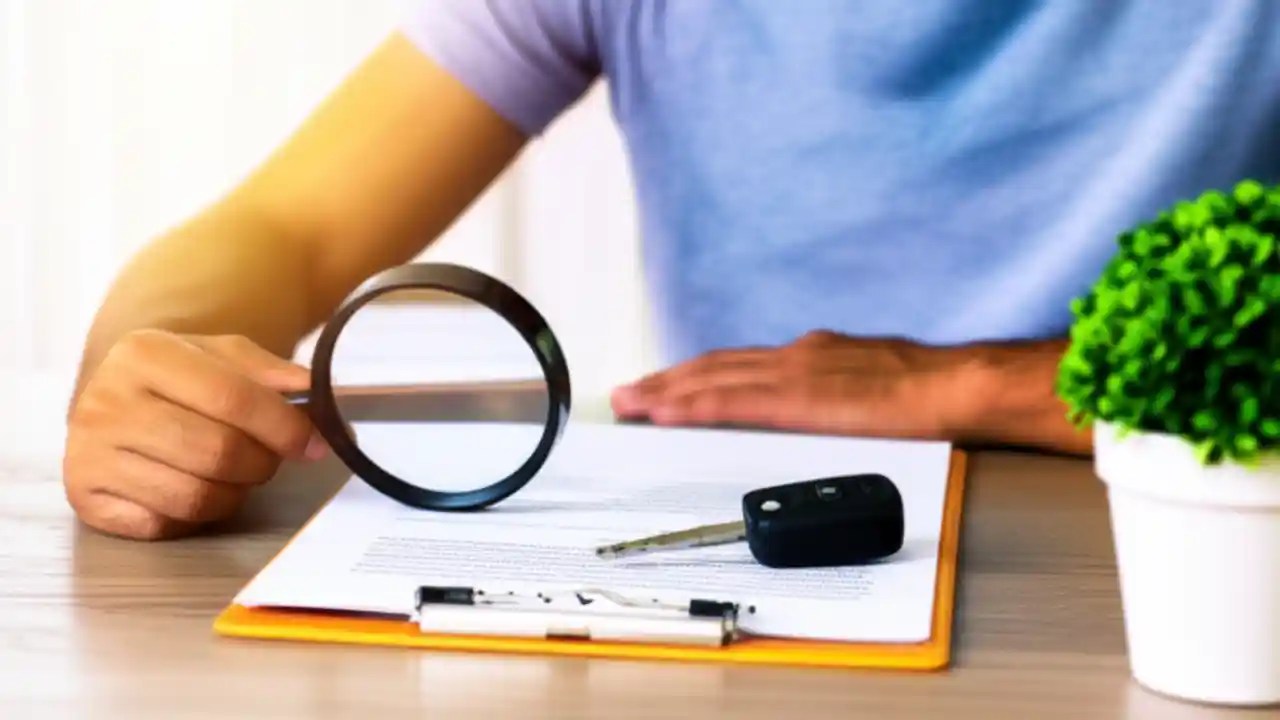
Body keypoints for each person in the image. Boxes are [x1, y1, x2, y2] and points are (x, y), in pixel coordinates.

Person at [62, 1, 1280, 540]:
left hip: (1183, 560)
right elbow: (284, 230)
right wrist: (152, 360)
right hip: (755, 597)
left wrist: (977, 385)